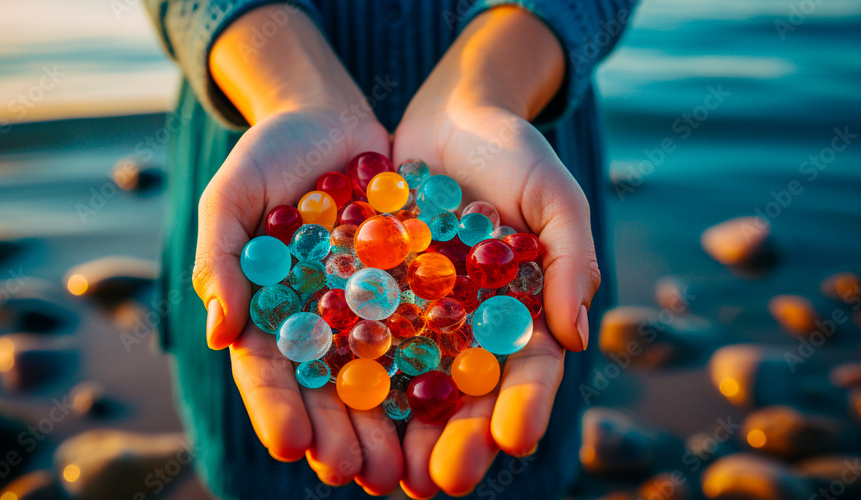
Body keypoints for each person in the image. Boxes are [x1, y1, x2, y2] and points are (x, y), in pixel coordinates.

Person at [146, 0, 633, 498]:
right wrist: (287, 84)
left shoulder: (453, 267)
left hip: (525, 101)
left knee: (508, 473)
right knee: (274, 472)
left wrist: (495, 81)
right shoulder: (326, 268)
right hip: (253, 101)